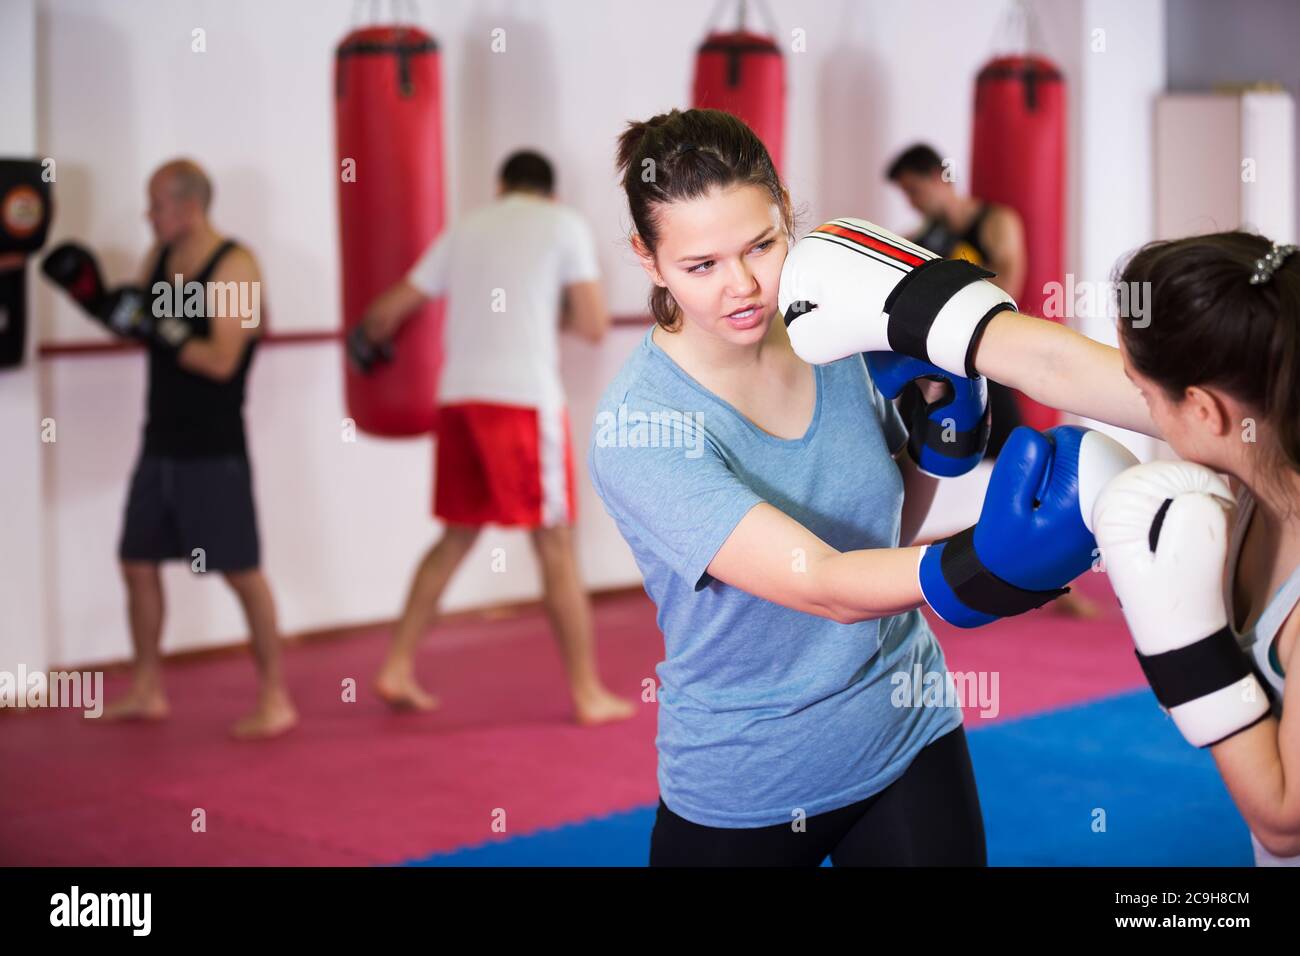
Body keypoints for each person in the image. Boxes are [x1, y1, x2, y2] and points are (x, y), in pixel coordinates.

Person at [590, 108, 1133, 866]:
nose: (744, 287)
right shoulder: (643, 424)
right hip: (746, 779)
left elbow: (879, 532)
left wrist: (937, 445)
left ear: (786, 213)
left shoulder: (830, 328)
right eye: (701, 266)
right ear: (649, 262)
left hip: (903, 728)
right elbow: (824, 583)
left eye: (760, 245)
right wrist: (984, 567)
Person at [352, 150, 634, 726]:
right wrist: (542, 310)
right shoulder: (564, 224)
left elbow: (385, 315)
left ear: (501, 185)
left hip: (459, 401)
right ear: (550, 192)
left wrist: (365, 341)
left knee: (455, 537)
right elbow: (594, 322)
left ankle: (397, 665)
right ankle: (586, 694)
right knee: (555, 544)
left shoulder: (465, 228)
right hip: (522, 403)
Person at [41, 158, 296, 739]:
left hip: (214, 446)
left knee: (241, 572)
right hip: (159, 439)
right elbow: (140, 326)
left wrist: (162, 326)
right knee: (136, 561)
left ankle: (276, 697)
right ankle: (149, 688)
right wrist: (96, 300)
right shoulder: (158, 261)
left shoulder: (235, 268)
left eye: (156, 205)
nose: (148, 216)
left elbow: (223, 360)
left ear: (188, 207)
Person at [1093, 234, 1300, 866]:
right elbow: (1062, 371)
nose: (1140, 406)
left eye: (1144, 390)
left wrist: (1190, 652)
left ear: (1205, 408)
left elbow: (1286, 822)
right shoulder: (1251, 489)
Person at [886, 142, 1098, 619]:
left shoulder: (996, 222)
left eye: (915, 191)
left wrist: (942, 294)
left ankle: (1062, 584)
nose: (913, 203)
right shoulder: (921, 237)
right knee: (900, 457)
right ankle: (889, 576)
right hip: (933, 371)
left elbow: (1007, 290)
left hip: (986, 366)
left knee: (1030, 465)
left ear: (940, 177)